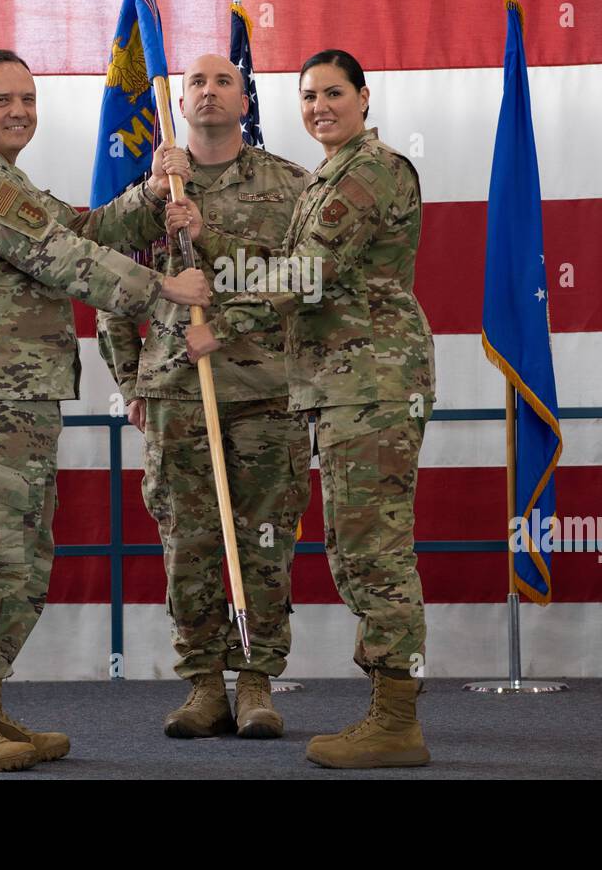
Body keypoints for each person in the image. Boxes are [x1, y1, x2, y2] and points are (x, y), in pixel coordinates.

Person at [0, 49, 210, 771]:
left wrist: (147, 197)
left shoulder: (7, 181)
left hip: (18, 399)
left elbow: (81, 228)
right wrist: (161, 291)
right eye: (0, 101)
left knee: (19, 560)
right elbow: (61, 256)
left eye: (27, 98)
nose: (19, 111)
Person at [178, 49, 436, 769]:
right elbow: (292, 259)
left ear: (363, 97)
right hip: (343, 383)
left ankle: (395, 722)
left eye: (333, 93)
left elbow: (305, 274)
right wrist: (208, 236)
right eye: (308, 95)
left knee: (374, 552)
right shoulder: (330, 173)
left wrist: (217, 327)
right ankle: (388, 712)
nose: (320, 106)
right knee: (357, 549)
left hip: (372, 381)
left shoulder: (369, 170)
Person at [97, 53, 312, 739]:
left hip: (265, 390)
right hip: (177, 395)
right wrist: (131, 379)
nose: (210, 91)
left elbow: (308, 279)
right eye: (196, 82)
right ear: (179, 103)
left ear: (245, 100)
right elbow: (108, 284)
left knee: (264, 543)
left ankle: (255, 682)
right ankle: (202, 685)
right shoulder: (151, 189)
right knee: (187, 543)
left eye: (225, 81)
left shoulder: (290, 186)